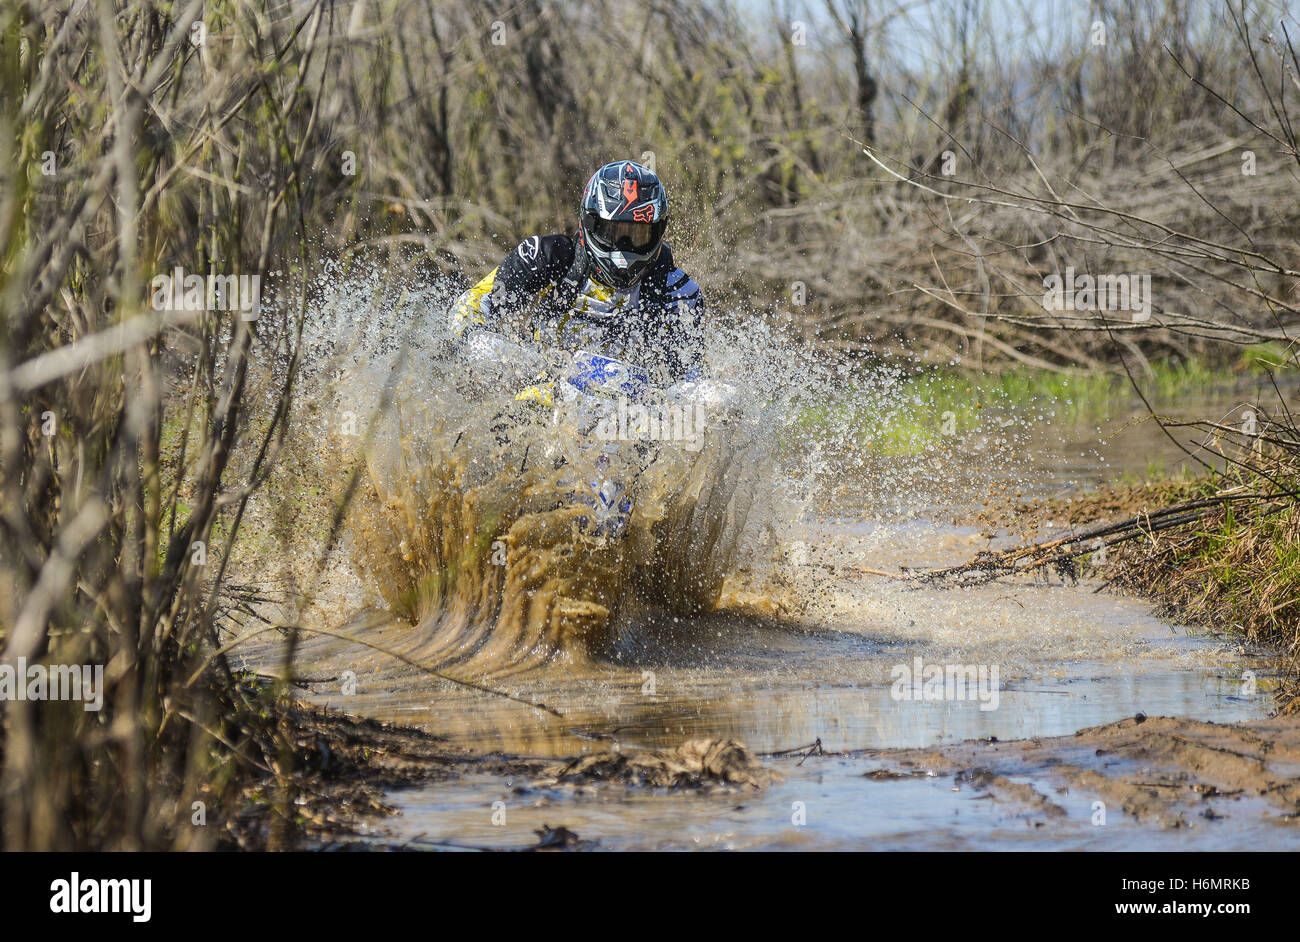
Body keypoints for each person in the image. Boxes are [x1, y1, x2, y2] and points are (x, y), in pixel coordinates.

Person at [448, 160, 705, 405]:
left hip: (630, 418)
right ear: (590, 222)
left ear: (658, 231)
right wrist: (478, 341)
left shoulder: (680, 293)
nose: (623, 250)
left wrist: (703, 399)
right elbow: (471, 303)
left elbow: (688, 379)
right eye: (614, 233)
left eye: (637, 235)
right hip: (544, 395)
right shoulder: (545, 257)